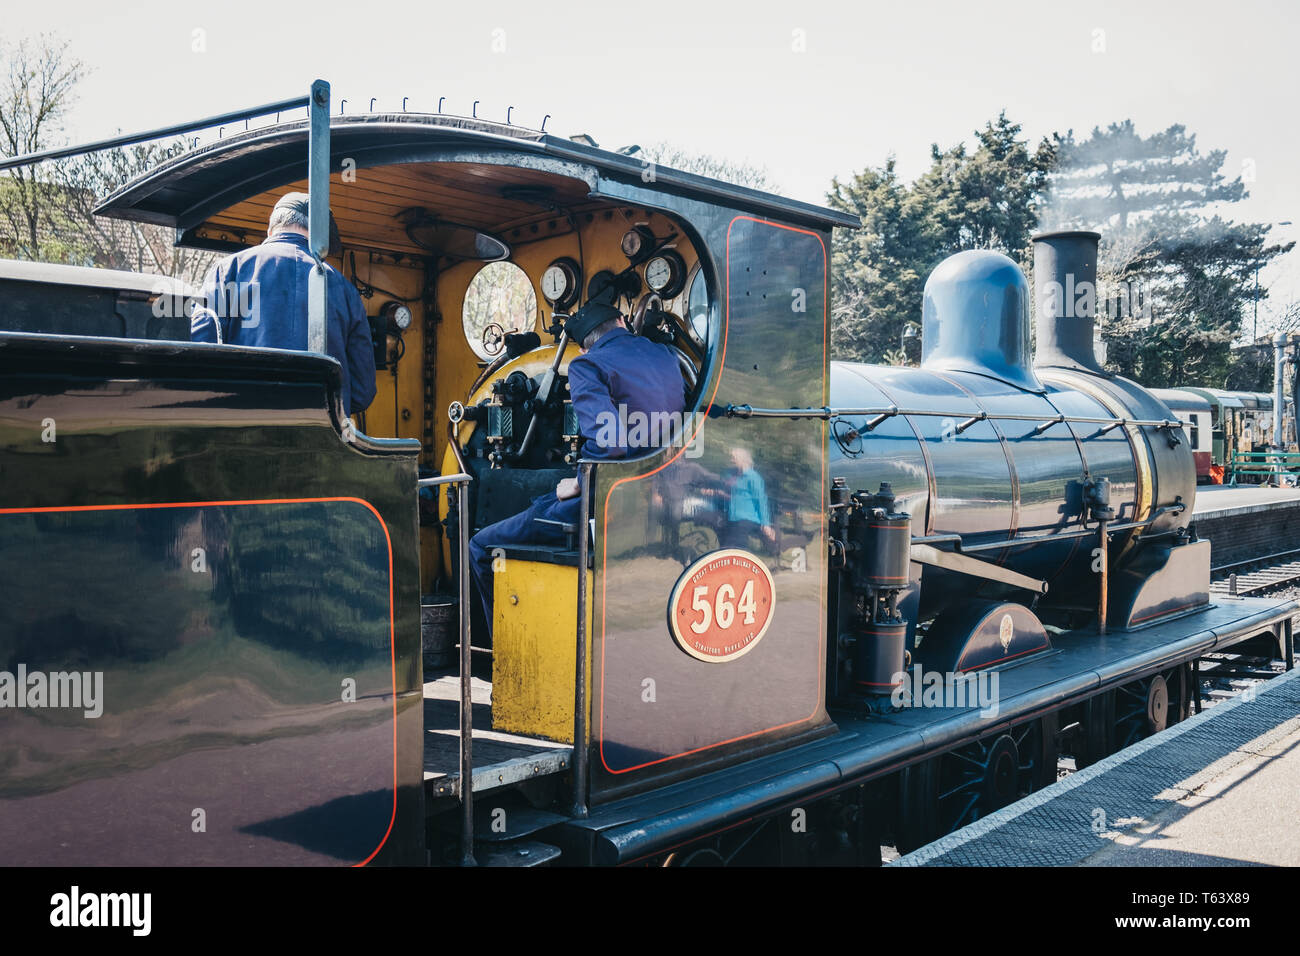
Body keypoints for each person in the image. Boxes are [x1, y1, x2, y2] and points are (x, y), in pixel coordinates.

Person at [468, 300, 687, 634]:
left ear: (585, 345)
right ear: (621, 322)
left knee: (482, 546)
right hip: (666, 498)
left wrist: (579, 482)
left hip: (609, 503)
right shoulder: (668, 357)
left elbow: (611, 444)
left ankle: (506, 655)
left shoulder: (588, 366)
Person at [190, 192, 376, 416]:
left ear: (271, 229)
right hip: (322, 436)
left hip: (242, 430)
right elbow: (362, 391)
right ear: (320, 235)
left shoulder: (228, 271)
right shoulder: (345, 291)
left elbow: (197, 358)